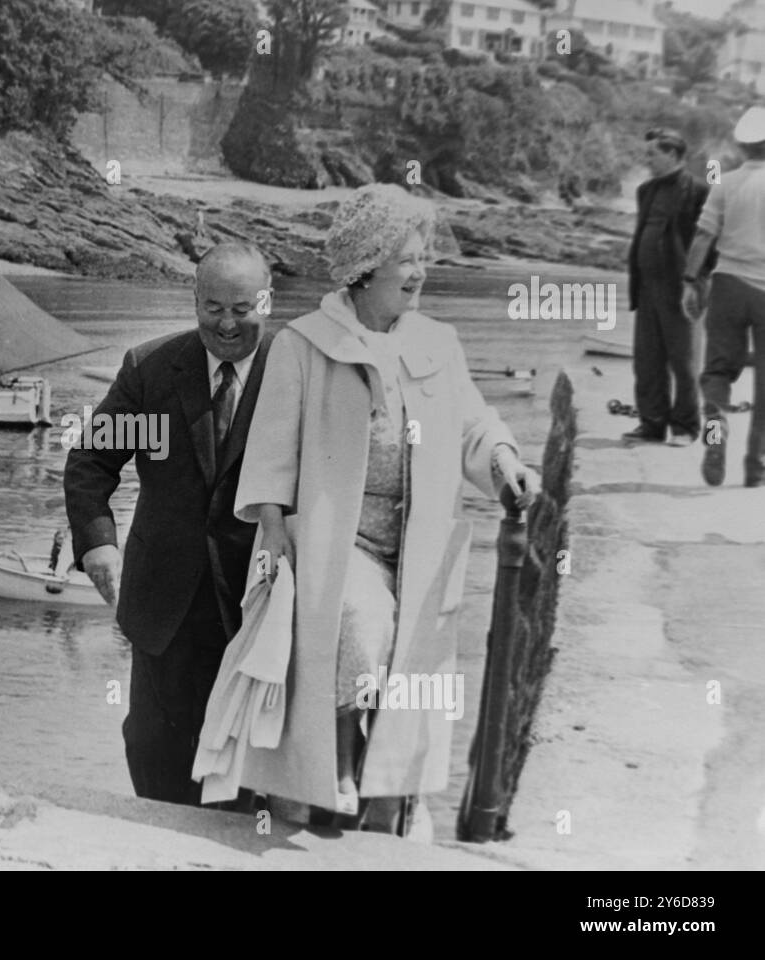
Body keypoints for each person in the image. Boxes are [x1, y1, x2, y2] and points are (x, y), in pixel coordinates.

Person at [232, 184, 541, 837]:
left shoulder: (438, 342)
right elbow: (270, 451)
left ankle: (390, 802)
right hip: (335, 540)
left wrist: (503, 459)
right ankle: (336, 769)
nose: (421, 271)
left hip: (419, 548)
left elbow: (472, 425)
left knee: (409, 677)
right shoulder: (302, 343)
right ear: (367, 265)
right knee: (361, 621)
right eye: (408, 259)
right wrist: (274, 533)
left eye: (424, 257)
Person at [64, 243, 274, 806]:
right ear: (194, 301)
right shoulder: (152, 369)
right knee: (153, 748)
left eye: (241, 309)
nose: (226, 324)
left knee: (248, 766)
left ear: (267, 302)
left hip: (259, 606)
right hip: (164, 604)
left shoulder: (297, 370)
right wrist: (98, 545)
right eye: (212, 308)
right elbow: (91, 461)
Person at [683, 106, 765, 488]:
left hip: (728, 285)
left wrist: (690, 281)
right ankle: (755, 468)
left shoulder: (725, 183)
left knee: (717, 372)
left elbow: (703, 236)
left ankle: (716, 430)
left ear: (742, 146)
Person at [624, 127, 709, 446]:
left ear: (672, 154)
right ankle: (652, 423)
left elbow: (710, 241)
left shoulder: (699, 190)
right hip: (647, 287)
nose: (646, 160)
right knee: (647, 359)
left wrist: (695, 282)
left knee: (684, 361)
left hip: (681, 288)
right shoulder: (645, 190)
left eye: (652, 154)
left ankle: (685, 427)